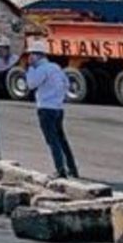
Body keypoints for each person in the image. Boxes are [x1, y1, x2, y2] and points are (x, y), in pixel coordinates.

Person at [23, 38, 78, 178]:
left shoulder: (40, 69)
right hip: (58, 109)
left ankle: (60, 170)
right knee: (61, 140)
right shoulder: (55, 67)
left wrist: (29, 68)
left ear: (37, 55)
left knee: (52, 140)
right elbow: (66, 84)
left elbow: (31, 85)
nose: (29, 57)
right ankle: (72, 169)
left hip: (46, 109)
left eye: (31, 54)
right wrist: (59, 98)